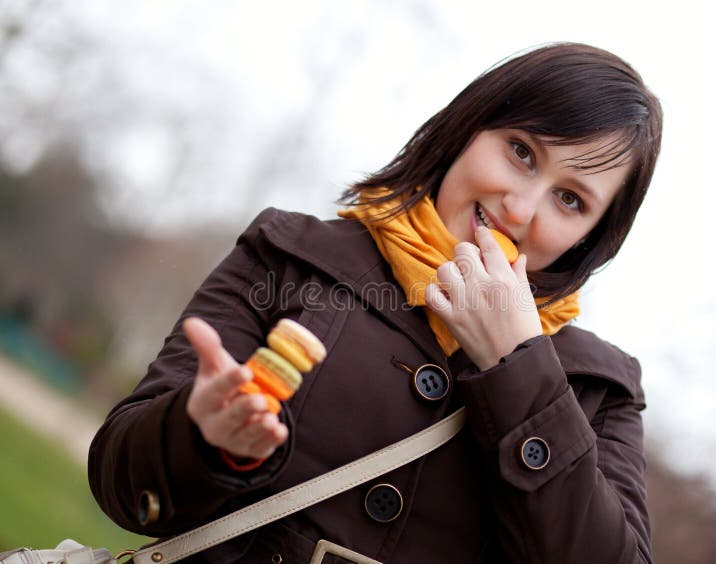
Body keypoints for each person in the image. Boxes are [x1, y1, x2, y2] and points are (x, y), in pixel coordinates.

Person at [89, 41, 662, 563]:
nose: (520, 208)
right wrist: (201, 438)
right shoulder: (289, 257)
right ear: (468, 128)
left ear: (592, 236)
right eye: (521, 151)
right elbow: (123, 488)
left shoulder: (599, 389)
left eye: (569, 199)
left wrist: (518, 366)